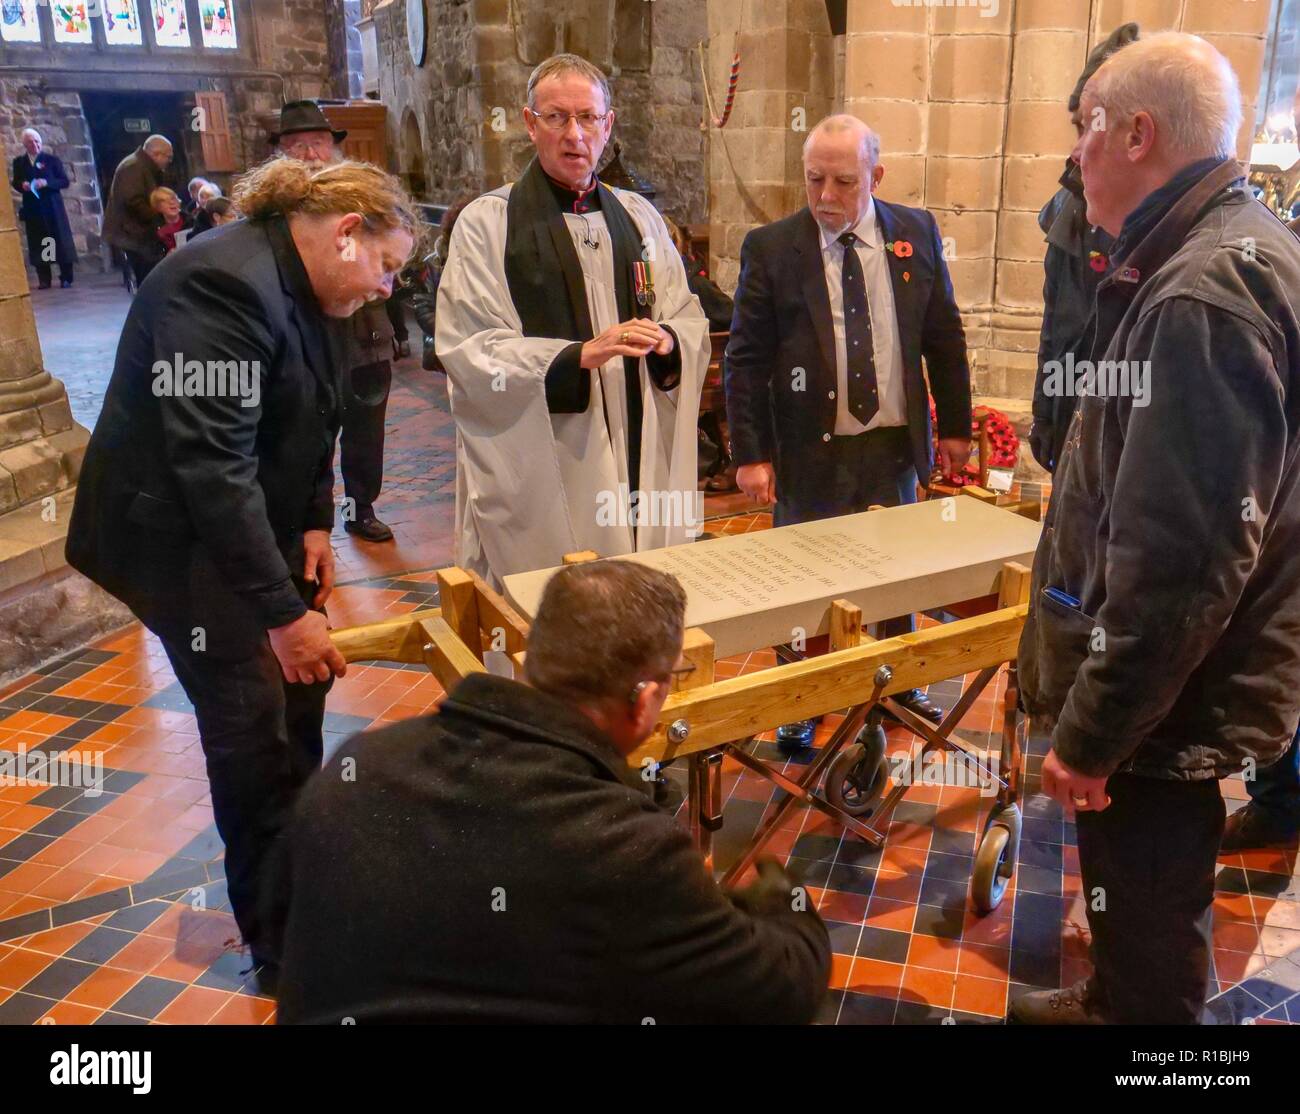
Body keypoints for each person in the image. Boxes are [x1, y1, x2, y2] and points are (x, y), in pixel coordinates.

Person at [66, 158, 420, 983]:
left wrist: (312, 521)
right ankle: (281, 943)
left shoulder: (310, 280)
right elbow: (211, 467)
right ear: (344, 234)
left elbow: (320, 408)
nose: (385, 287)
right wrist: (282, 613)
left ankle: (306, 889)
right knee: (251, 723)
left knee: (302, 694)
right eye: (387, 265)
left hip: (248, 514)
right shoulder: (218, 289)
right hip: (175, 537)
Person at [1012, 33, 1300, 1025]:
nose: (1074, 155)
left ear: (1135, 132)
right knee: (1139, 909)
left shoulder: (1203, 293)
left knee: (1151, 919)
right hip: (1179, 693)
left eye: (1084, 126)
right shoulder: (1231, 243)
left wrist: (1090, 735)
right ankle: (1115, 996)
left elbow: (1179, 566)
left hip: (1165, 707)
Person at [273, 559, 830, 1024]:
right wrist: (786, 901)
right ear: (645, 699)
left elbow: (277, 918)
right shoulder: (621, 846)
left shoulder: (358, 766)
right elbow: (780, 994)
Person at [725, 114, 972, 744]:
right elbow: (747, 360)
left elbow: (943, 335)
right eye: (814, 181)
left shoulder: (915, 232)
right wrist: (750, 454)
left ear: (876, 176)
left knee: (895, 573)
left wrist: (956, 428)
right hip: (810, 446)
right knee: (803, 580)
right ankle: (800, 700)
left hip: (892, 444)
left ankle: (896, 683)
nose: (827, 197)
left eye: (843, 181)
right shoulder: (774, 247)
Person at [436, 53, 709, 585]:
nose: (574, 134)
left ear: (608, 125)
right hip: (552, 449)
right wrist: (572, 357)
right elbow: (468, 345)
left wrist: (669, 341)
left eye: (588, 117)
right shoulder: (488, 223)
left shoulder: (639, 215)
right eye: (556, 117)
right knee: (556, 599)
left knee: (637, 587)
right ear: (529, 124)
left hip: (637, 431)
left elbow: (687, 315)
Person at [271, 98, 398, 543]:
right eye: (298, 145)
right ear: (282, 154)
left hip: (365, 335)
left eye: (318, 143)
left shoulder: (366, 195)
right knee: (308, 430)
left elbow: (394, 255)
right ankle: (305, 519)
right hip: (302, 338)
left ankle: (360, 508)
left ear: (333, 147)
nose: (309, 155)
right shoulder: (274, 208)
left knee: (366, 430)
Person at [1029, 23, 1137, 474]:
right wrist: (1044, 414)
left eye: (1086, 128)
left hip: (1127, 433)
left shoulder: (1172, 229)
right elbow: (1056, 326)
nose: (1075, 152)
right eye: (1076, 126)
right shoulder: (1071, 205)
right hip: (1070, 404)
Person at [410, 196, 473, 371]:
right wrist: (454, 337)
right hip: (449, 346)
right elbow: (424, 307)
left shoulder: (490, 260)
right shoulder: (433, 264)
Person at [103, 133, 173, 289]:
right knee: (147, 280)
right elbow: (133, 200)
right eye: (168, 157)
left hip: (136, 234)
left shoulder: (140, 165)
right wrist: (159, 214)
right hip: (131, 235)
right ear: (156, 154)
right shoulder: (133, 166)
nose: (169, 162)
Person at [10, 127, 77, 289]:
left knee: (59, 242)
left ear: (41, 142)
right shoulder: (19, 162)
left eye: (37, 141)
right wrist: (22, 185)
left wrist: (47, 183)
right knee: (40, 243)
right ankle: (44, 278)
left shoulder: (51, 160)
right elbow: (16, 182)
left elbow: (64, 181)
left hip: (53, 208)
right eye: (30, 142)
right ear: (25, 145)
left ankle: (66, 277)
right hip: (34, 210)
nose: (34, 145)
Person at [149, 186, 191, 255]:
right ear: (157, 207)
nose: (171, 202)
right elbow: (153, 256)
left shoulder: (193, 221)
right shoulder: (153, 231)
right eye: (164, 201)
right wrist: (166, 256)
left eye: (173, 198)